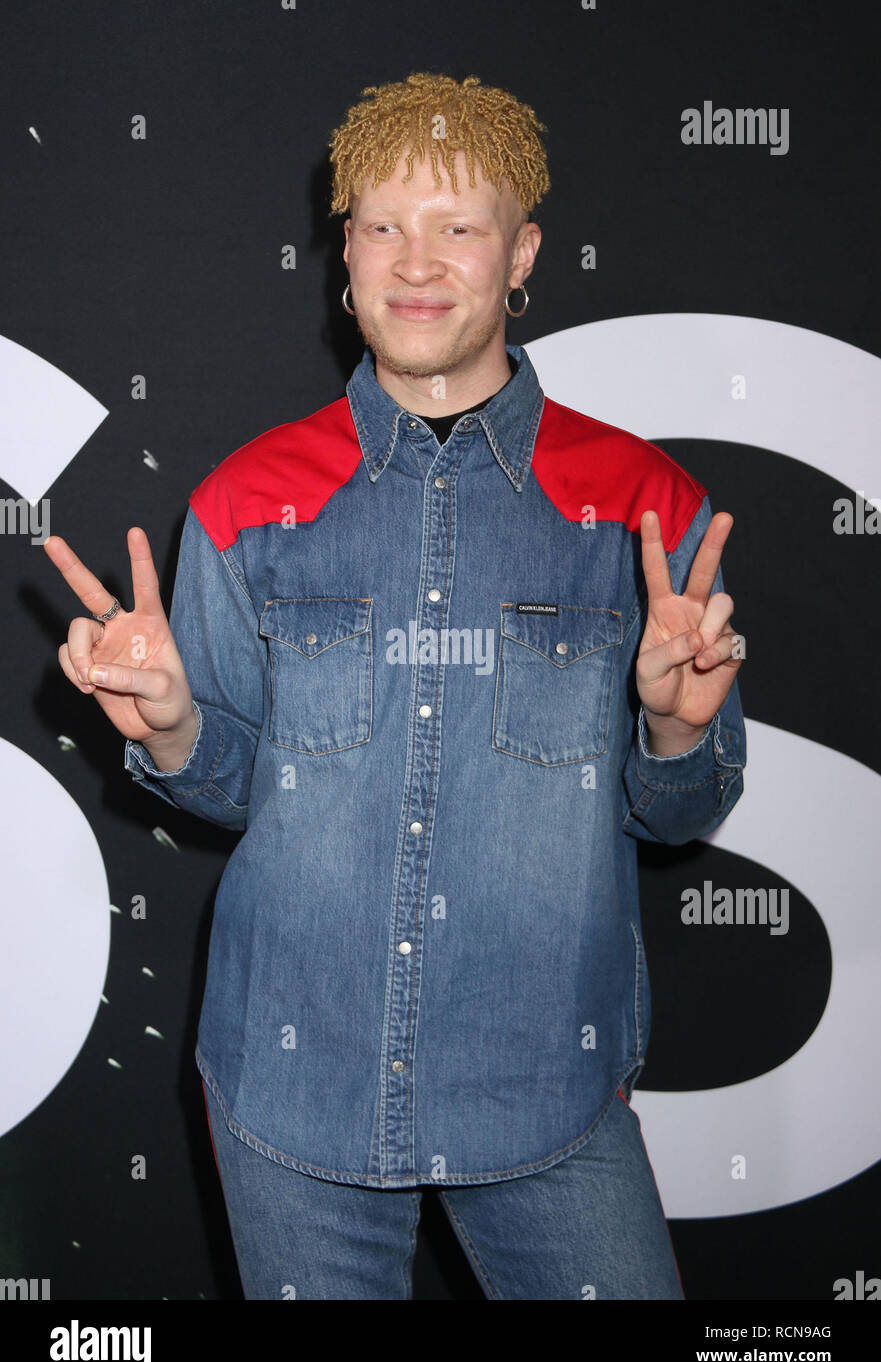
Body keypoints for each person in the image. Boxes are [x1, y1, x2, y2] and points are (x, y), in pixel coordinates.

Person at [44, 72, 746, 1300]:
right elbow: (232, 790)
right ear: (343, 255)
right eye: (379, 225)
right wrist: (173, 729)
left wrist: (674, 729)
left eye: (456, 226)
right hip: (291, 1090)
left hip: (546, 1097)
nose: (413, 262)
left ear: (521, 253)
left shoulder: (643, 508)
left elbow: (678, 813)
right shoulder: (244, 499)